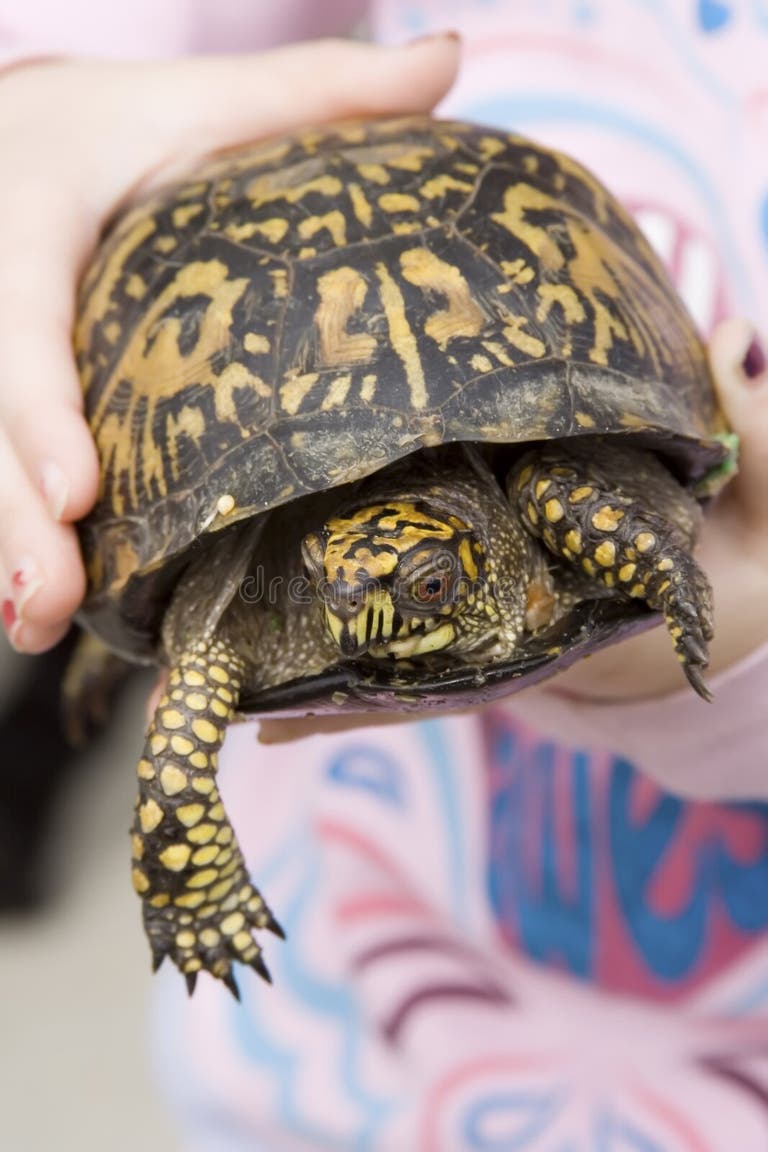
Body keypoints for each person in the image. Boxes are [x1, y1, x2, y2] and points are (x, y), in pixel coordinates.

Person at [1, 3, 766, 1149]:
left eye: (417, 587)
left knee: (560, 488)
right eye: (347, 584)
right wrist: (39, 90)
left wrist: (726, 627)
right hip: (325, 1047)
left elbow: (575, 496)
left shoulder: (550, 506)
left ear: (476, 562)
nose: (361, 608)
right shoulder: (296, 593)